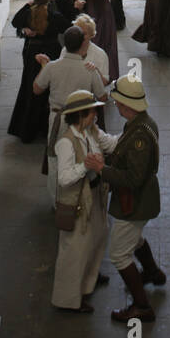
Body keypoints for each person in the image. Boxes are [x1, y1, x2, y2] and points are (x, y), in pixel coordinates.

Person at [88, 73, 164, 324]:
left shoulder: (139, 135)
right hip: (142, 199)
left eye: (118, 103)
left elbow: (132, 179)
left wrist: (102, 170)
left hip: (136, 201)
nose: (116, 106)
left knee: (120, 254)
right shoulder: (142, 123)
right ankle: (152, 272)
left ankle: (142, 306)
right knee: (135, 237)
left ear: (126, 105)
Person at [52, 90, 119, 313]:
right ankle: (69, 300)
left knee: (97, 237)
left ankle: (89, 279)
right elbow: (63, 178)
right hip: (78, 202)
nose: (96, 115)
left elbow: (108, 144)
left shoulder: (91, 131)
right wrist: (86, 166)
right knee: (75, 250)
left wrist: (129, 135)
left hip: (95, 196)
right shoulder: (66, 142)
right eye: (92, 112)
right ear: (80, 115)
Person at [35, 24, 108, 204]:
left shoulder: (52, 67)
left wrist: (44, 65)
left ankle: (57, 202)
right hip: (82, 121)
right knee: (83, 157)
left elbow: (37, 89)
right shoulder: (89, 69)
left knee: (55, 159)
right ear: (83, 45)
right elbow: (103, 97)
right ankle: (82, 199)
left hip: (57, 120)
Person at [7, 0, 68, 143]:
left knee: (30, 87)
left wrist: (28, 5)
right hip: (51, 53)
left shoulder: (27, 14)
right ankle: (45, 127)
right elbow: (67, 27)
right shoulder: (54, 15)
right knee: (48, 89)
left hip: (32, 54)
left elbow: (15, 22)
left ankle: (27, 130)